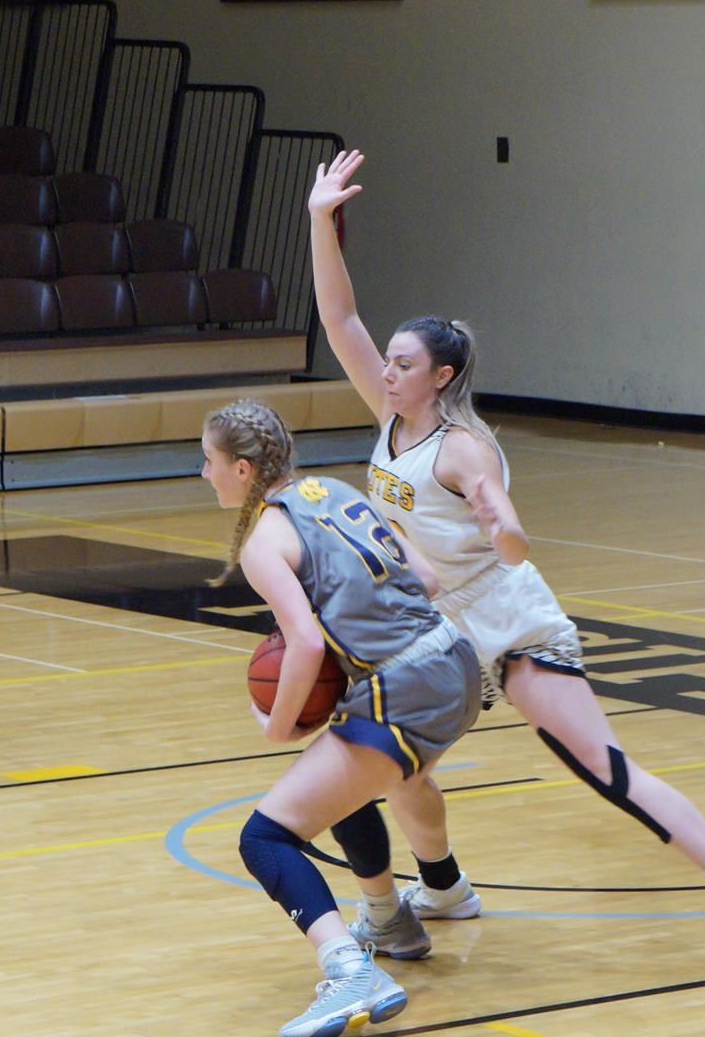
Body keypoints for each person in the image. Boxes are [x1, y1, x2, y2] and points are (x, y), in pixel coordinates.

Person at [306, 150, 705, 979]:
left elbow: (511, 535)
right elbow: (339, 321)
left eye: (402, 362)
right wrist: (321, 221)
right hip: (438, 627)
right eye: (386, 361)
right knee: (387, 758)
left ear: (442, 376)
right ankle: (444, 887)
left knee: (602, 767)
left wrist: (503, 523)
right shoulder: (390, 413)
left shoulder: (461, 448)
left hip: (504, 619)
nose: (385, 369)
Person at [201, 398, 481, 1037]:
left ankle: (351, 970)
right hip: (457, 663)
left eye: (209, 461)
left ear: (242, 470)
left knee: (265, 837)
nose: (205, 474)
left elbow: (301, 643)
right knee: (365, 777)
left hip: (406, 687)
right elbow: (430, 580)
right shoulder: (338, 490)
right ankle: (402, 910)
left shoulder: (264, 541)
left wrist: (277, 726)